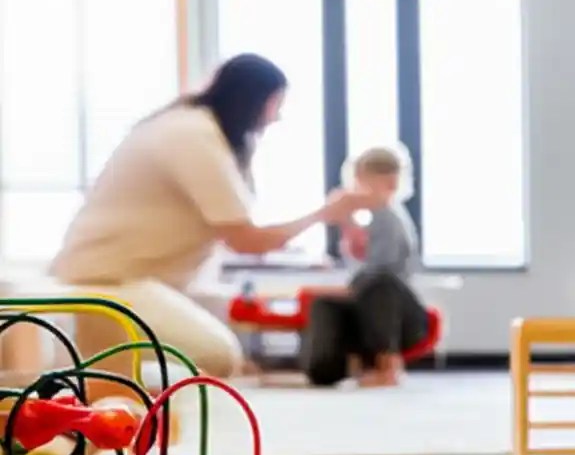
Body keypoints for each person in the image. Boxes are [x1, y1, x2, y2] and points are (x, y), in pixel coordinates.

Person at [50, 54, 377, 382]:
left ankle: (126, 382)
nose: (276, 117)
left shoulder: (189, 127)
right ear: (253, 98)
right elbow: (245, 239)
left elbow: (236, 235)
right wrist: (325, 214)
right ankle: (123, 381)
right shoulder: (193, 135)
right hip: (106, 283)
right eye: (275, 103)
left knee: (219, 329)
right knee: (218, 355)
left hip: (123, 279)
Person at [302, 146, 427, 387]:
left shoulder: (390, 217)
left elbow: (376, 274)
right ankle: (327, 367)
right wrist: (345, 220)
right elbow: (359, 269)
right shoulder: (369, 222)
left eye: (364, 185)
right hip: (367, 306)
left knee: (380, 284)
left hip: (396, 313)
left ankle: (387, 364)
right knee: (324, 304)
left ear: (390, 183)